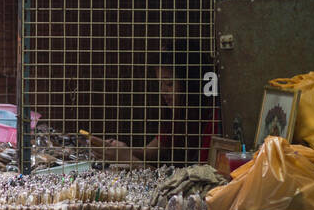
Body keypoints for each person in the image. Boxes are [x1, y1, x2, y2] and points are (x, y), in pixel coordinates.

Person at [89, 47, 219, 165]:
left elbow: (200, 181)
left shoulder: (212, 120)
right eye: (160, 84)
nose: (163, 91)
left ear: (191, 84)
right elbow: (149, 152)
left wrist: (128, 158)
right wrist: (118, 150)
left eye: (169, 84)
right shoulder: (178, 116)